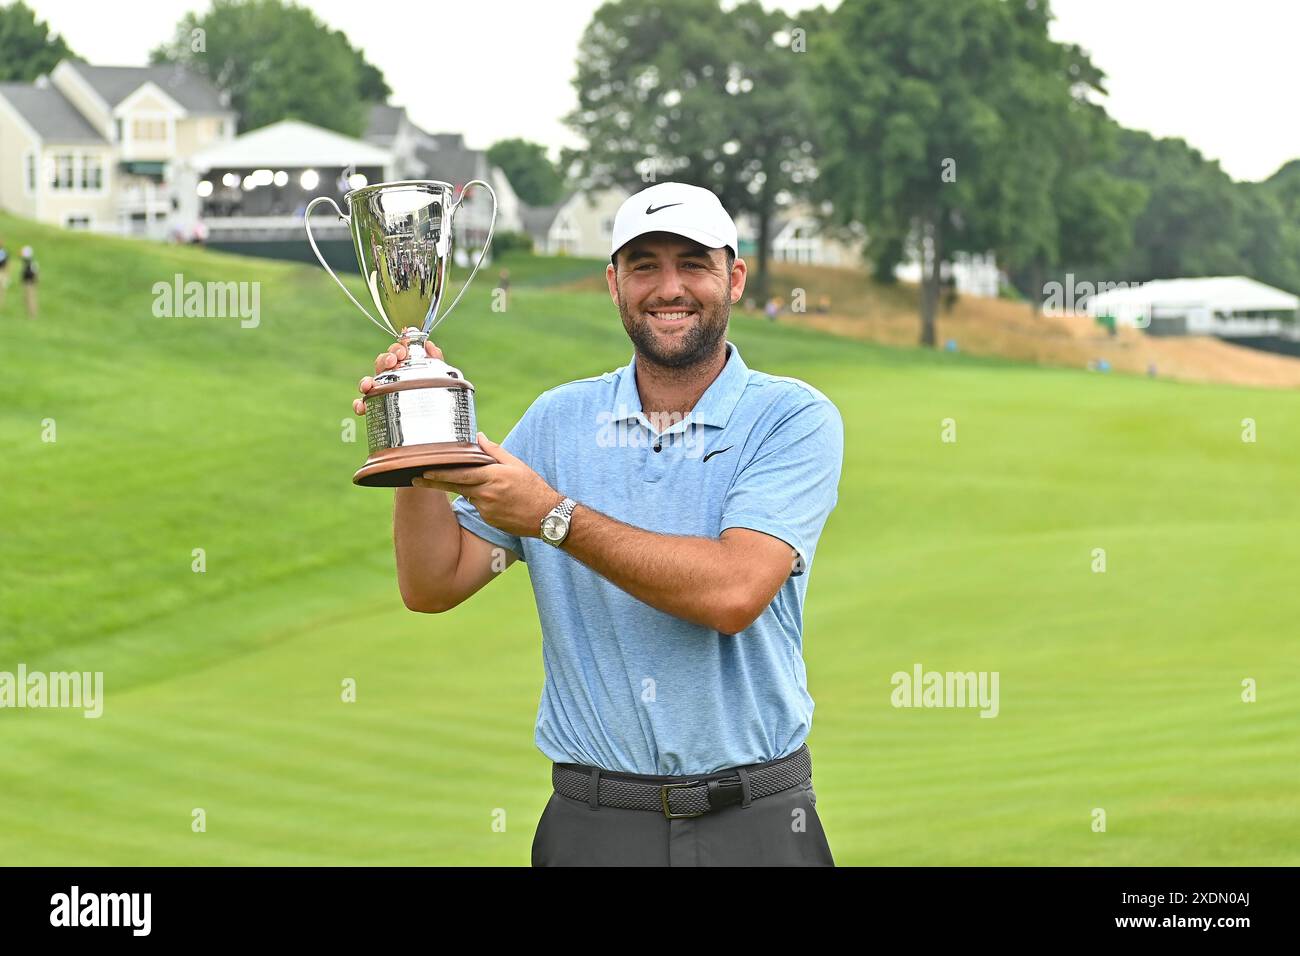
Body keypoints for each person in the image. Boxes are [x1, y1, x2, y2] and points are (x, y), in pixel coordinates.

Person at [353, 181, 844, 867]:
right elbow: (434, 582)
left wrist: (551, 515)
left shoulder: (792, 417)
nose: (668, 287)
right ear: (613, 283)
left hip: (755, 823)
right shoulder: (558, 420)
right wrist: (417, 445)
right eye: (644, 265)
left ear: (733, 277)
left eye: (692, 263)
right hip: (593, 825)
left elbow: (732, 594)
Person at [20, 246, 37, 318]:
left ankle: (32, 315)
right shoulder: (26, 263)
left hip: (30, 283)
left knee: (31, 299)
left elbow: (36, 274)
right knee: (26, 299)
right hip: (26, 283)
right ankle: (29, 314)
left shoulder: (32, 263)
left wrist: (34, 283)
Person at [0, 239, 9, 309]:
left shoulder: (5, 252)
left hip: (2, 271)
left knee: (2, 289)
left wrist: (7, 274)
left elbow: (7, 264)